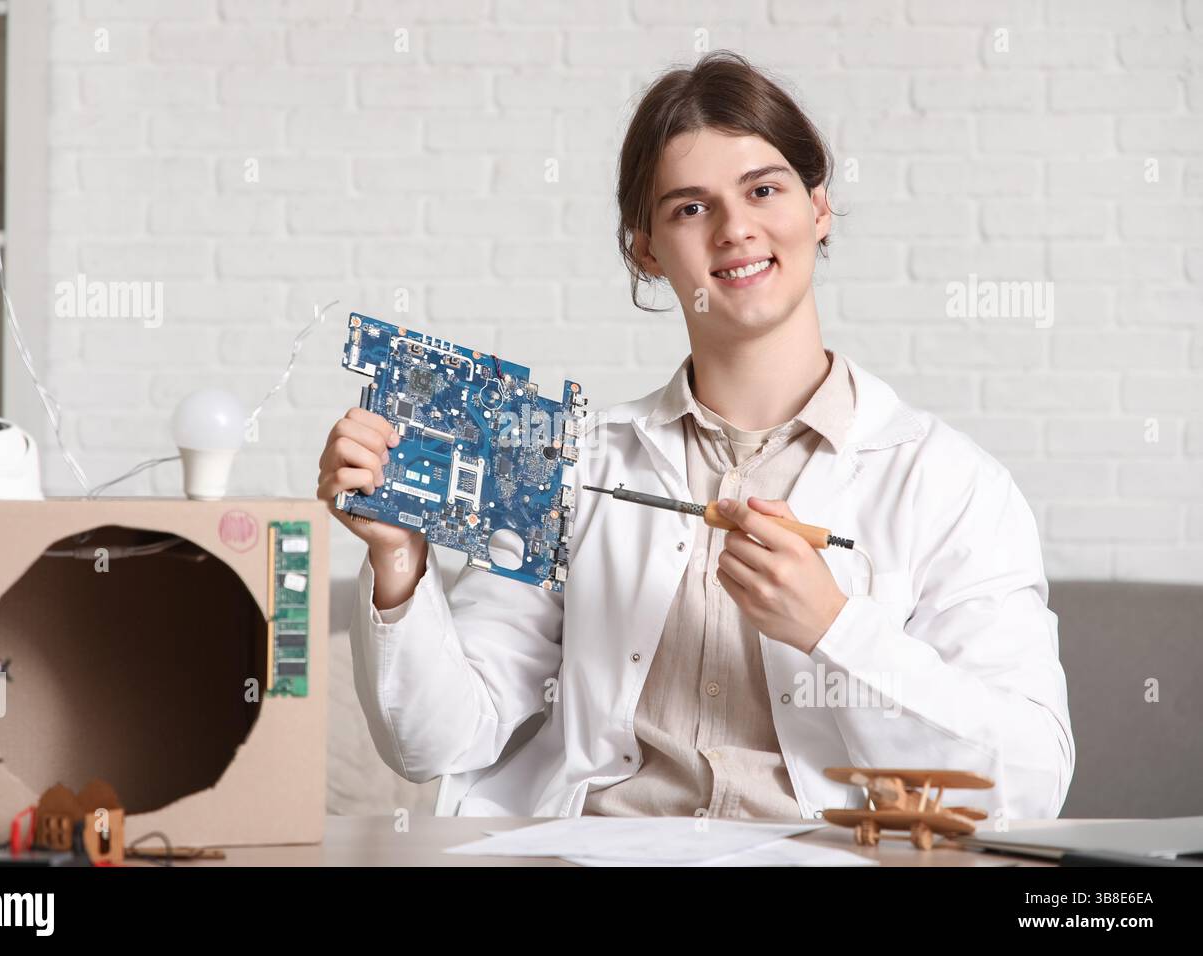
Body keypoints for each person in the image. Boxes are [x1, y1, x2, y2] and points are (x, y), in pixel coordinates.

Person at [316, 51, 1074, 822]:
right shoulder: (568, 463)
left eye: (764, 190)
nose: (736, 229)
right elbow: (438, 742)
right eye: (690, 208)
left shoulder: (950, 484)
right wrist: (399, 560)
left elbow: (1029, 782)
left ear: (819, 208)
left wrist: (835, 629)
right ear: (646, 249)